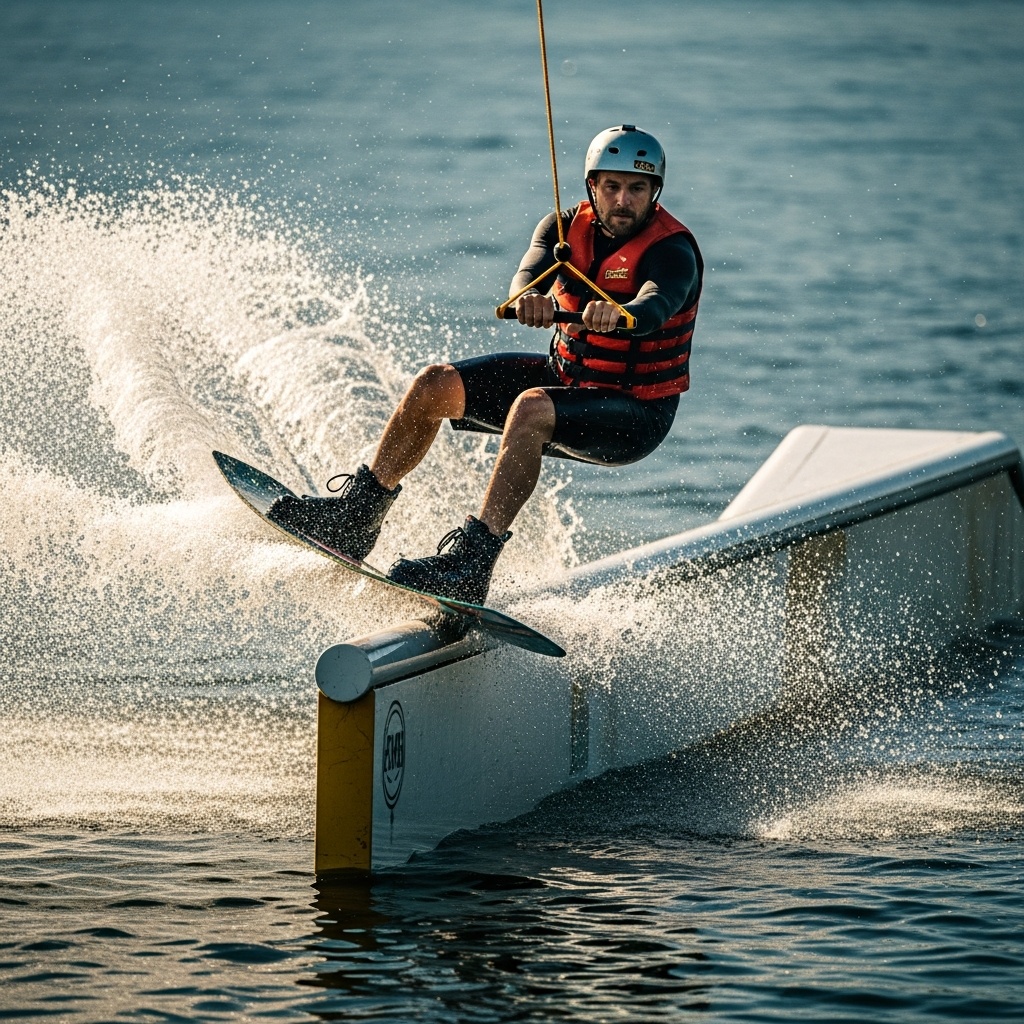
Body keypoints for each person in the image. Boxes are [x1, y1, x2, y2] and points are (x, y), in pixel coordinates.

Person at [269, 125, 703, 605]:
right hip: (566, 378)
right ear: (592, 185)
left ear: (654, 192)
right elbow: (526, 276)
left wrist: (620, 314)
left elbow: (655, 306)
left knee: (530, 408)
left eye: (637, 188)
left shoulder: (672, 251)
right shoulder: (560, 230)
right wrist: (529, 297)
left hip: (635, 413)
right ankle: (356, 518)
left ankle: (471, 566)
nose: (623, 200)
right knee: (434, 384)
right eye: (612, 186)